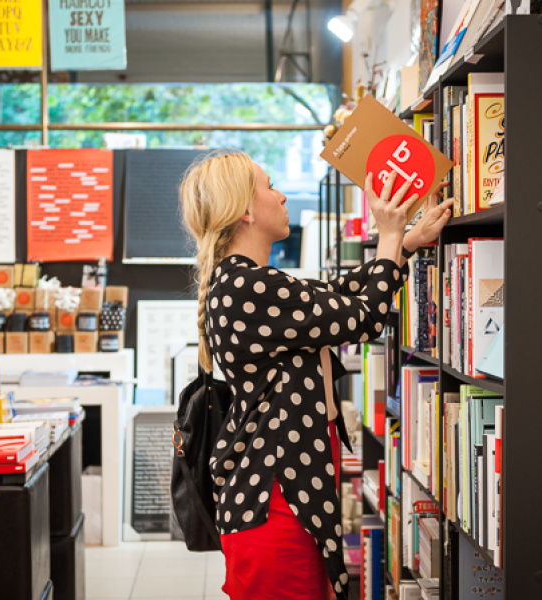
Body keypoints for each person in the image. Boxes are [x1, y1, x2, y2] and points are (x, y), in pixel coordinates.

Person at [180, 150, 453, 600]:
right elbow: (362, 320)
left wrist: (402, 243)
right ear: (244, 211)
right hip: (277, 506)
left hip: (285, 497)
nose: (283, 195)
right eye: (270, 185)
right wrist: (386, 233)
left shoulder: (250, 281)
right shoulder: (248, 286)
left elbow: (339, 296)